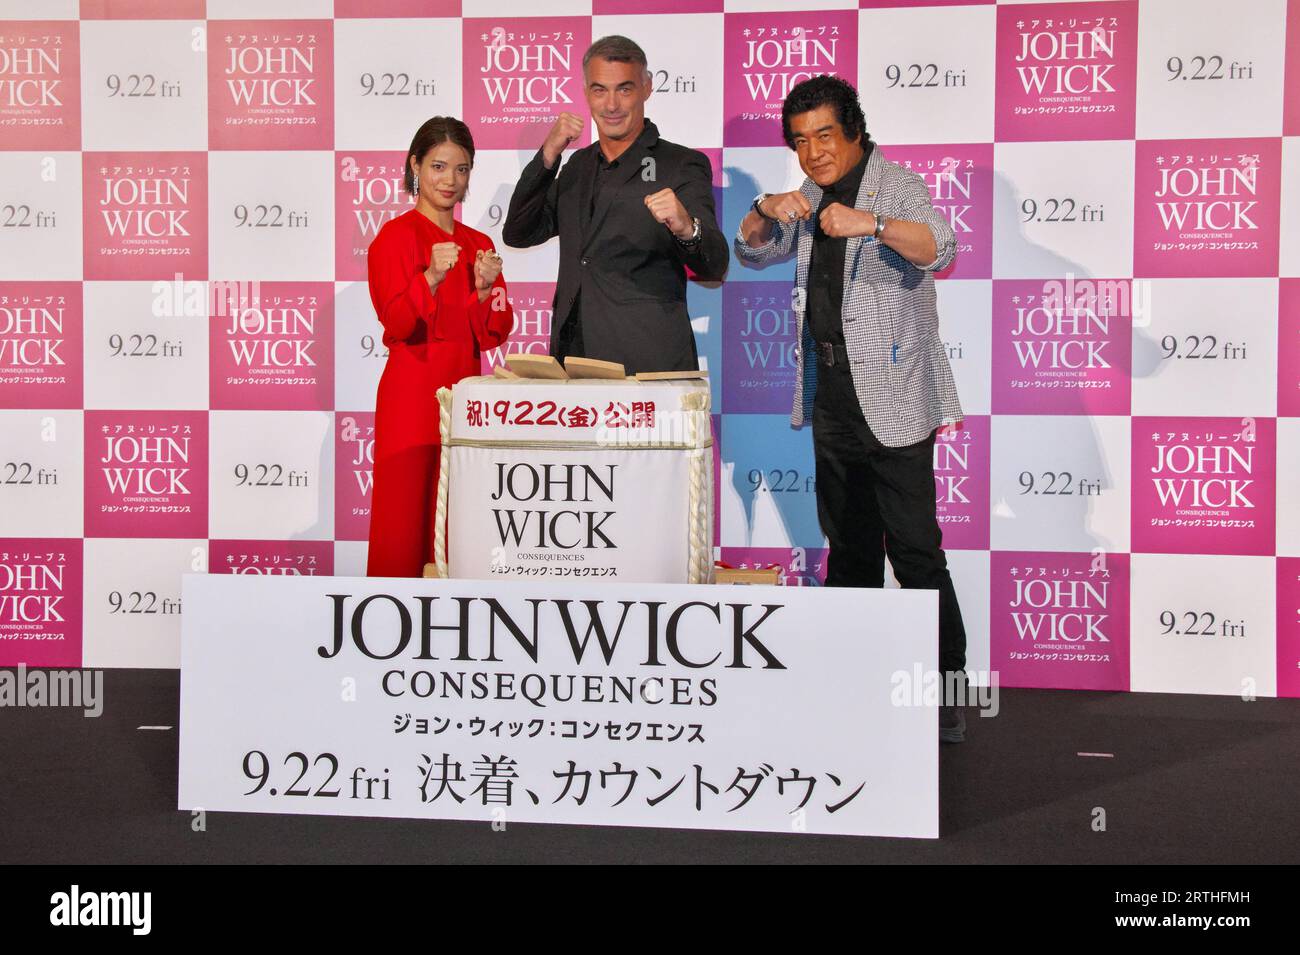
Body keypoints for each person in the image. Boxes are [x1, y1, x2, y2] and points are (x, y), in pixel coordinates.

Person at [734, 76, 969, 742]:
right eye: (801, 141)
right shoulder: (807, 194)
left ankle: (947, 692)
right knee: (850, 550)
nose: (813, 153)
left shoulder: (896, 185)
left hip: (894, 394)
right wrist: (763, 205)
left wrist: (871, 223)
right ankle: (853, 684)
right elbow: (752, 247)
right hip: (832, 397)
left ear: (854, 130)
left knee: (917, 552)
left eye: (824, 136)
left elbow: (940, 247)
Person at [502, 34, 727, 374]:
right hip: (572, 359)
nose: (611, 105)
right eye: (599, 90)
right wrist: (548, 155)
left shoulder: (680, 164)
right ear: (585, 92)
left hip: (647, 361)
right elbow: (519, 233)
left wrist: (686, 227)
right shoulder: (577, 166)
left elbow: (714, 264)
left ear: (647, 88)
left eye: (624, 89)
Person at [366, 116, 513, 578]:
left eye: (462, 169)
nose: (451, 181)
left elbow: (495, 331)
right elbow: (396, 321)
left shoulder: (479, 243)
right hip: (410, 399)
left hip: (465, 400)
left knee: (458, 525)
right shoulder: (394, 237)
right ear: (415, 166)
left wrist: (487, 289)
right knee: (403, 524)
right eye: (439, 167)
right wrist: (429, 276)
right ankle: (388, 629)